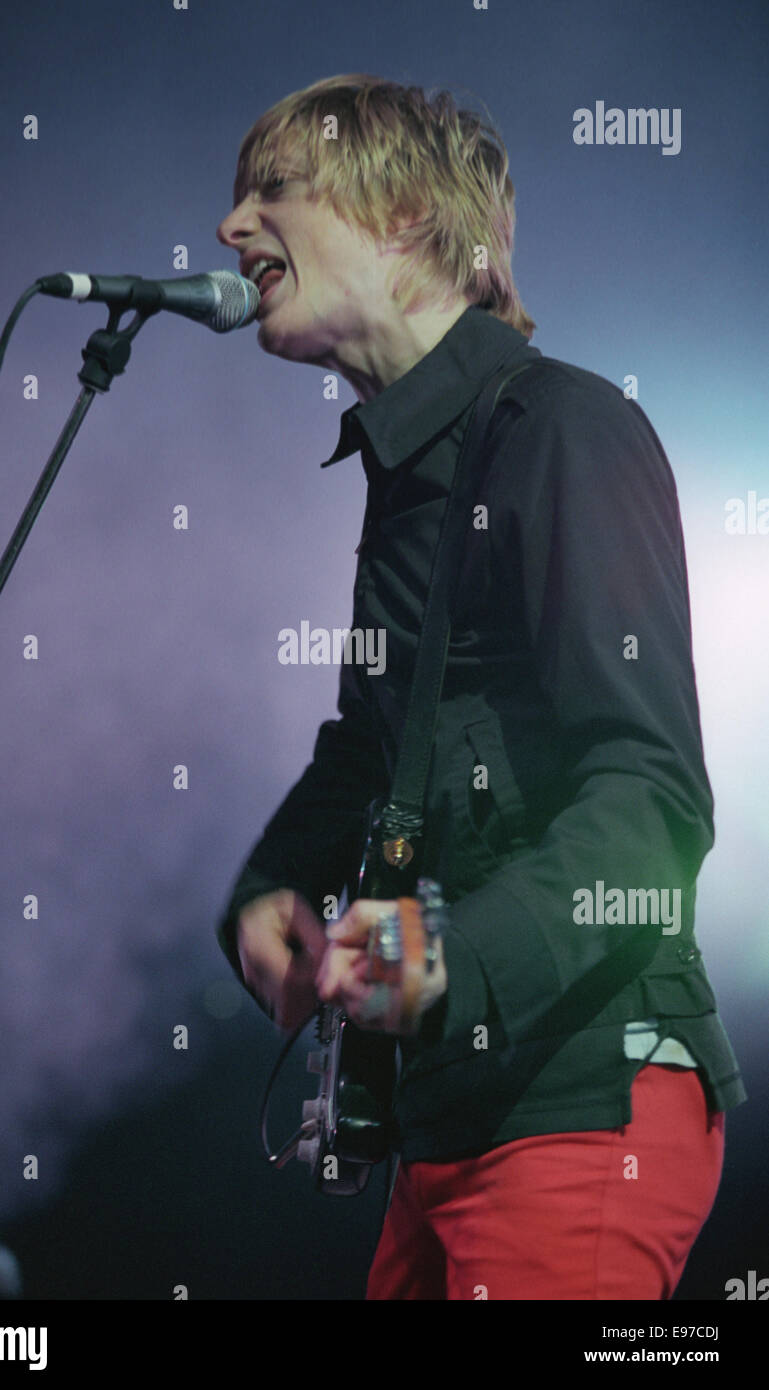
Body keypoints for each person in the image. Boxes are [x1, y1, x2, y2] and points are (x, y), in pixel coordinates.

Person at [213, 73, 746, 1301]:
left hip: (580, 1102)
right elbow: (370, 749)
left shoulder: (565, 429)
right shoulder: (408, 468)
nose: (234, 231)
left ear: (405, 215)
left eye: (272, 192)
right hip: (453, 1124)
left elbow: (653, 797)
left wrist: (451, 951)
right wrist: (265, 894)